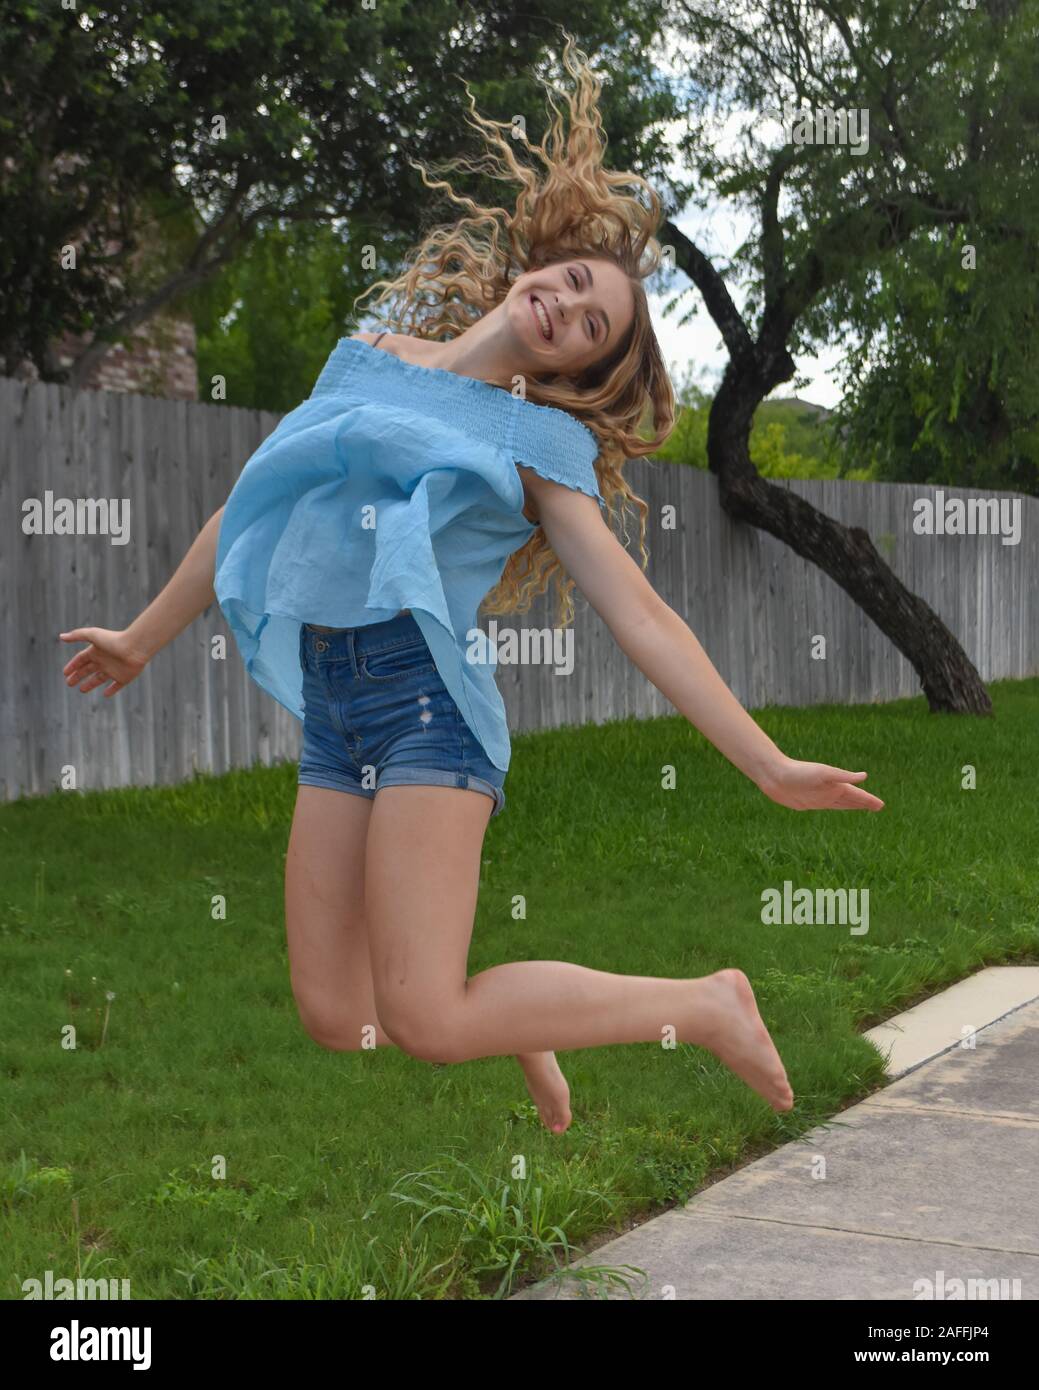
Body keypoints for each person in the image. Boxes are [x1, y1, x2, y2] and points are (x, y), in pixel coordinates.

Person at [58, 36, 883, 1134]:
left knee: (426, 1019)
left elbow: (639, 611)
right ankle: (516, 1014)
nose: (571, 314)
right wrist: (143, 636)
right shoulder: (366, 356)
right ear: (540, 265)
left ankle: (706, 1002)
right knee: (333, 1010)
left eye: (592, 335)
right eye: (578, 289)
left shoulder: (537, 443)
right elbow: (255, 503)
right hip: (333, 706)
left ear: (572, 376)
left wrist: (767, 761)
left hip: (424, 709)